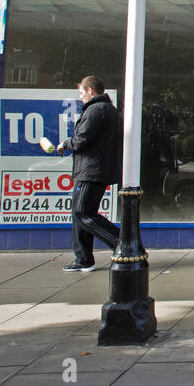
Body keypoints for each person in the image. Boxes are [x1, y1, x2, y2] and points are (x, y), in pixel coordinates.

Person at [56, 76, 123, 271]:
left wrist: (65, 144)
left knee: (82, 212)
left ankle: (122, 244)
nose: (81, 97)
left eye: (81, 93)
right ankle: (83, 259)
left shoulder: (95, 110)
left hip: (91, 170)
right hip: (95, 169)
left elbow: (82, 139)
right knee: (81, 214)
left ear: (91, 91)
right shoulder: (109, 110)